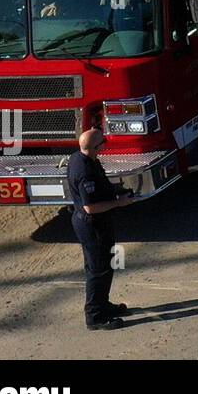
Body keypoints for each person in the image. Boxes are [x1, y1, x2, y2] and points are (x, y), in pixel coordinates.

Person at [67, 129, 134, 330]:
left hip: (95, 223)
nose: (106, 143)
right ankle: (95, 316)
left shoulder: (82, 158)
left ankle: (103, 305)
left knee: (103, 266)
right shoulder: (84, 171)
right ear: (96, 147)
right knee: (99, 269)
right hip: (92, 224)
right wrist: (118, 203)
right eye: (103, 141)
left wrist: (113, 189)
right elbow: (90, 207)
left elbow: (98, 187)